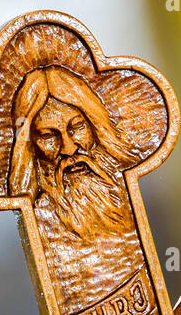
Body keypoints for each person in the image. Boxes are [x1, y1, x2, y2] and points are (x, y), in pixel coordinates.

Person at [8, 65, 138, 238]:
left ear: (96, 127)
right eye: (48, 135)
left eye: (77, 126)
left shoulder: (129, 191)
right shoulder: (41, 220)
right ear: (29, 148)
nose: (68, 149)